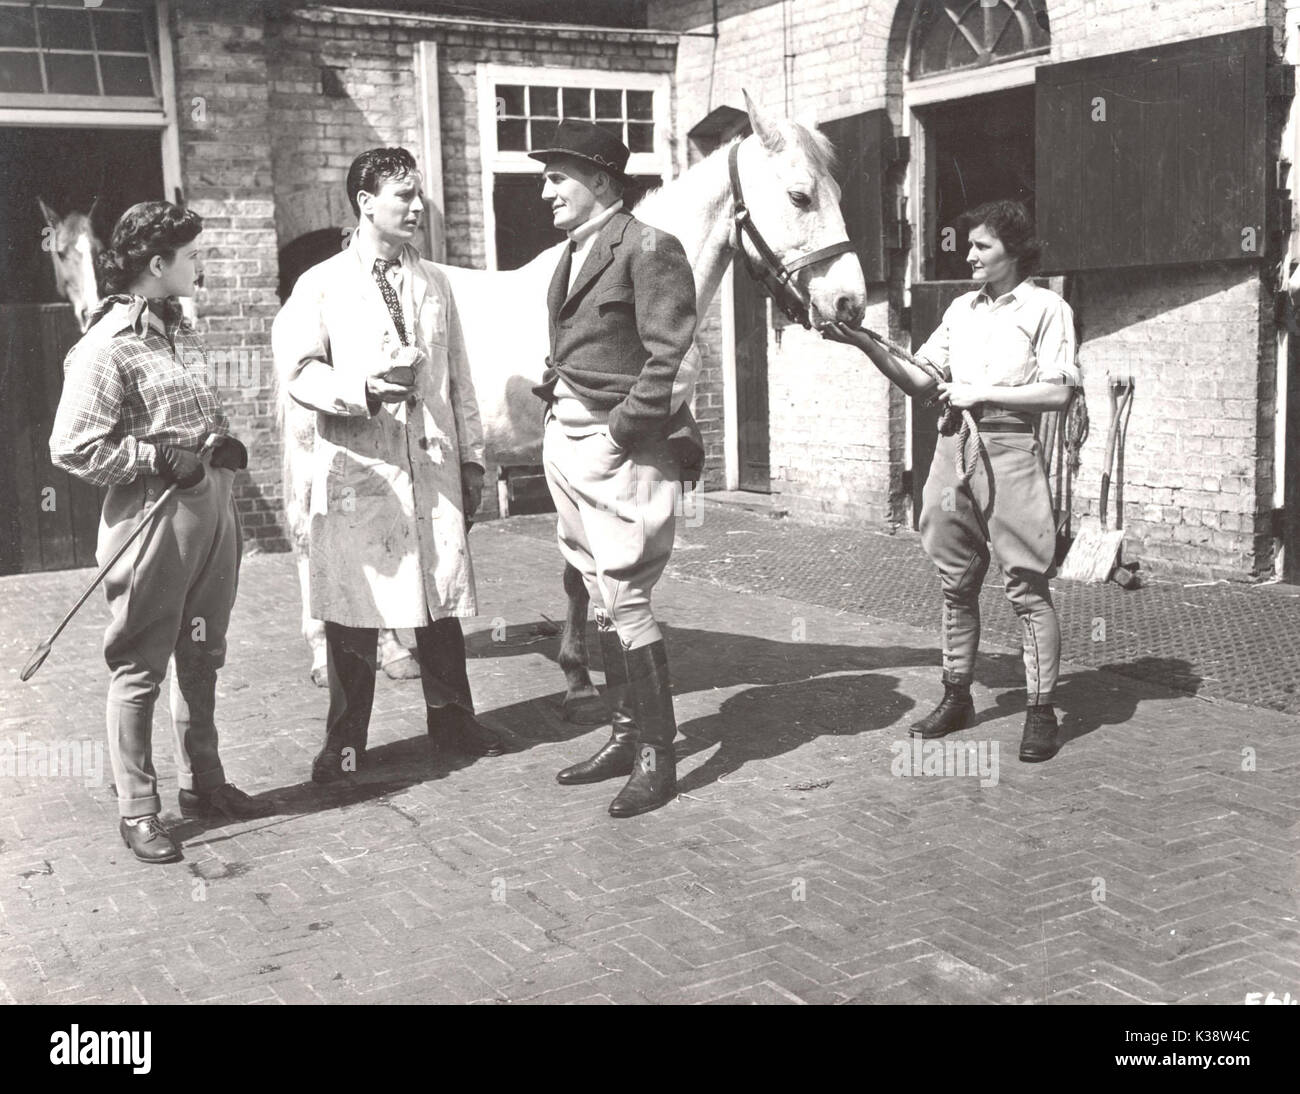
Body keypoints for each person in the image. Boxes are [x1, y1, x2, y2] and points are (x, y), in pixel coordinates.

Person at [272, 147, 504, 784]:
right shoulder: (320, 284)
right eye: (402, 196)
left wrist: (475, 462)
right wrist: (363, 389)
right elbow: (297, 371)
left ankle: (455, 724)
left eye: (418, 193)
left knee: (439, 599)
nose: (416, 207)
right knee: (354, 606)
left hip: (431, 467)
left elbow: (459, 378)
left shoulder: (435, 282)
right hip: (361, 472)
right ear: (365, 203)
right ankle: (344, 744)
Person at [49, 201, 268, 865]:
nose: (197, 268)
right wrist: (151, 457)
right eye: (190, 257)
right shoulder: (105, 345)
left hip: (207, 513)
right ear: (156, 264)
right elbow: (72, 446)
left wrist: (216, 442)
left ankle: (205, 783)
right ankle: (139, 809)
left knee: (202, 654)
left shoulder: (174, 333)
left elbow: (196, 411)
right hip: (151, 521)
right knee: (140, 666)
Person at [823, 199, 1077, 762]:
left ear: (1014, 250)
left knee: (1027, 588)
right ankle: (956, 696)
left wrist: (983, 393)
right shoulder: (961, 309)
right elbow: (919, 378)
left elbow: (1059, 391)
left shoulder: (1046, 308)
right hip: (951, 448)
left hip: (1010, 450)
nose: (970, 255)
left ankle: (1040, 713)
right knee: (954, 582)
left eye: (982, 246)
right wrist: (864, 341)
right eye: (970, 245)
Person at [530, 120, 702, 817]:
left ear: (599, 180)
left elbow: (674, 361)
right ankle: (625, 733)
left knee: (627, 596)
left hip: (619, 451)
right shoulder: (570, 253)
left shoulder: (650, 247)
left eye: (556, 177)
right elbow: (589, 343)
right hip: (568, 446)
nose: (544, 191)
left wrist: (617, 434)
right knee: (598, 590)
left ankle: (657, 756)